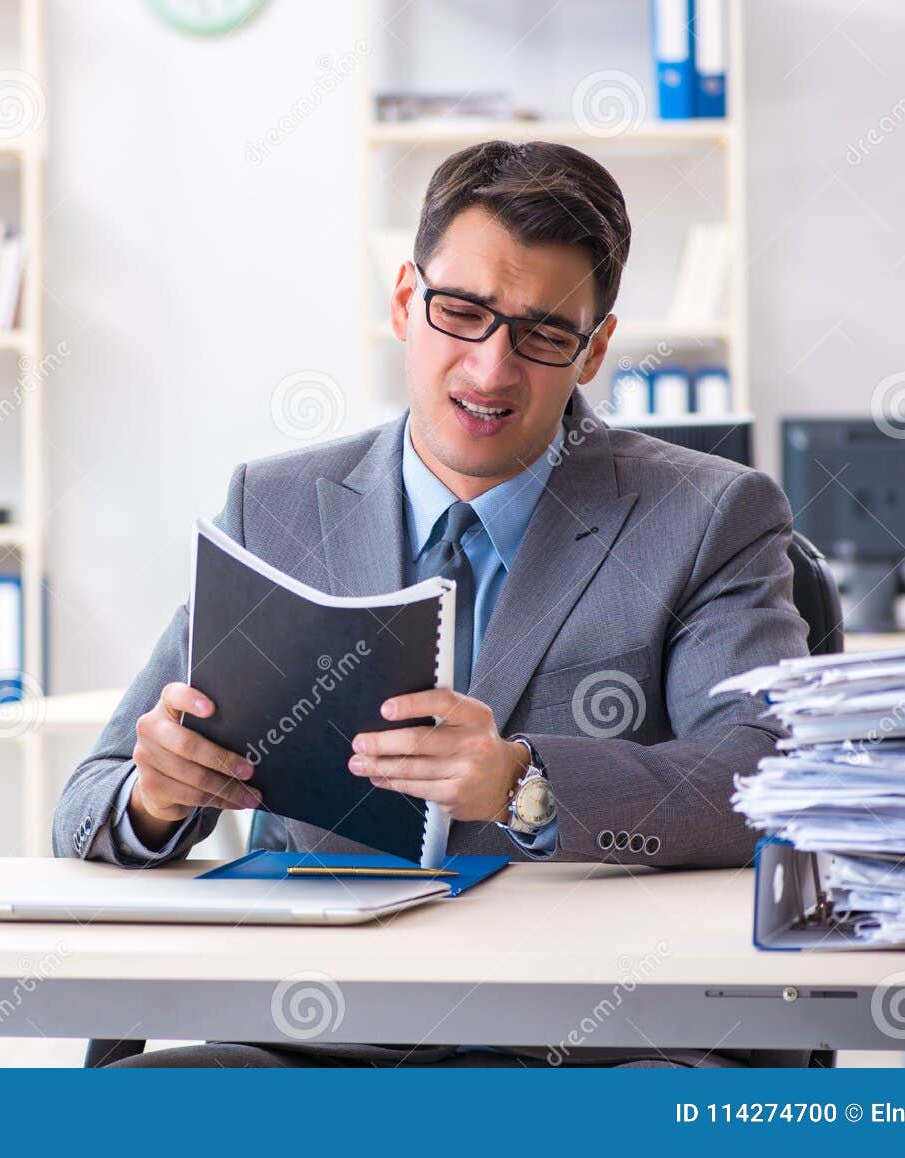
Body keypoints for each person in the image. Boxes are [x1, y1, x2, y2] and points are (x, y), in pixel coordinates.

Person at [52, 140, 810, 1067]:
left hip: (600, 1043)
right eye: (462, 313)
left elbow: (770, 783)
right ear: (407, 300)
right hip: (320, 1037)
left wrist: (524, 784)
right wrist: (158, 800)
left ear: (595, 350)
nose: (492, 372)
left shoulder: (707, 514)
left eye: (542, 335)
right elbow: (91, 800)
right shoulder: (274, 505)